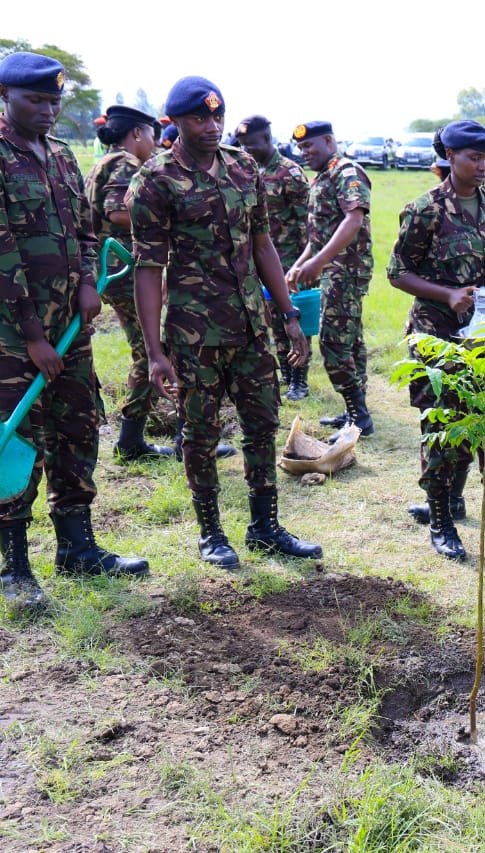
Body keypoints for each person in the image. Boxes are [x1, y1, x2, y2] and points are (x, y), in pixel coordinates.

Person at [128, 75, 321, 571]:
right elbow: (148, 268)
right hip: (195, 335)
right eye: (199, 119)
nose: (212, 126)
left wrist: (289, 314)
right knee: (200, 433)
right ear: (175, 122)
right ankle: (211, 533)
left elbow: (263, 245)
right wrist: (154, 352)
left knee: (262, 424)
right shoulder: (155, 180)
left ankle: (265, 527)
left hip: (251, 326)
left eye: (217, 116)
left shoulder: (243, 167)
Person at [0, 52, 150, 614]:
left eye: (53, 101)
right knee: (18, 441)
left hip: (70, 327)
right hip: (13, 337)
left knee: (78, 427)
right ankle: (15, 568)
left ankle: (78, 549)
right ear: (5, 96)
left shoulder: (61, 156)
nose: (46, 110)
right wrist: (32, 335)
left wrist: (89, 281)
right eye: (34, 100)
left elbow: (85, 232)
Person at [387, 119, 485, 561]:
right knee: (443, 429)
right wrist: (447, 295)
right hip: (440, 336)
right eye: (474, 158)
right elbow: (397, 272)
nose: (483, 166)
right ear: (450, 156)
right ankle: (442, 519)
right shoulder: (425, 209)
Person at [86, 104, 174, 461]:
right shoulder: (125, 163)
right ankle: (134, 439)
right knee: (154, 350)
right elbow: (118, 211)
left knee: (147, 348)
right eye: (152, 135)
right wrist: (167, 222)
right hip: (123, 270)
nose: (155, 143)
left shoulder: (104, 162)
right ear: (137, 133)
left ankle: (134, 437)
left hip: (112, 270)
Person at [288, 122, 374, 440]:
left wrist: (319, 262)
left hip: (346, 270)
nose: (304, 152)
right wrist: (300, 265)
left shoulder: (346, 172)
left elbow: (354, 219)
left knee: (334, 342)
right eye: (300, 148)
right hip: (332, 269)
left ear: (328, 140)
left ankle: (359, 417)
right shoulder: (323, 176)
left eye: (309, 145)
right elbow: (320, 234)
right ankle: (354, 412)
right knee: (352, 341)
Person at [234, 115, 313, 401]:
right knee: (273, 320)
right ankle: (286, 375)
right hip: (262, 262)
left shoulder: (290, 173)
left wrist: (306, 266)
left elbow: (309, 224)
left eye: (251, 145)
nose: (246, 151)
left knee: (295, 320)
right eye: (243, 146)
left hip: (291, 263)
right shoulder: (247, 172)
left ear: (267, 139)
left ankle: (300, 381)